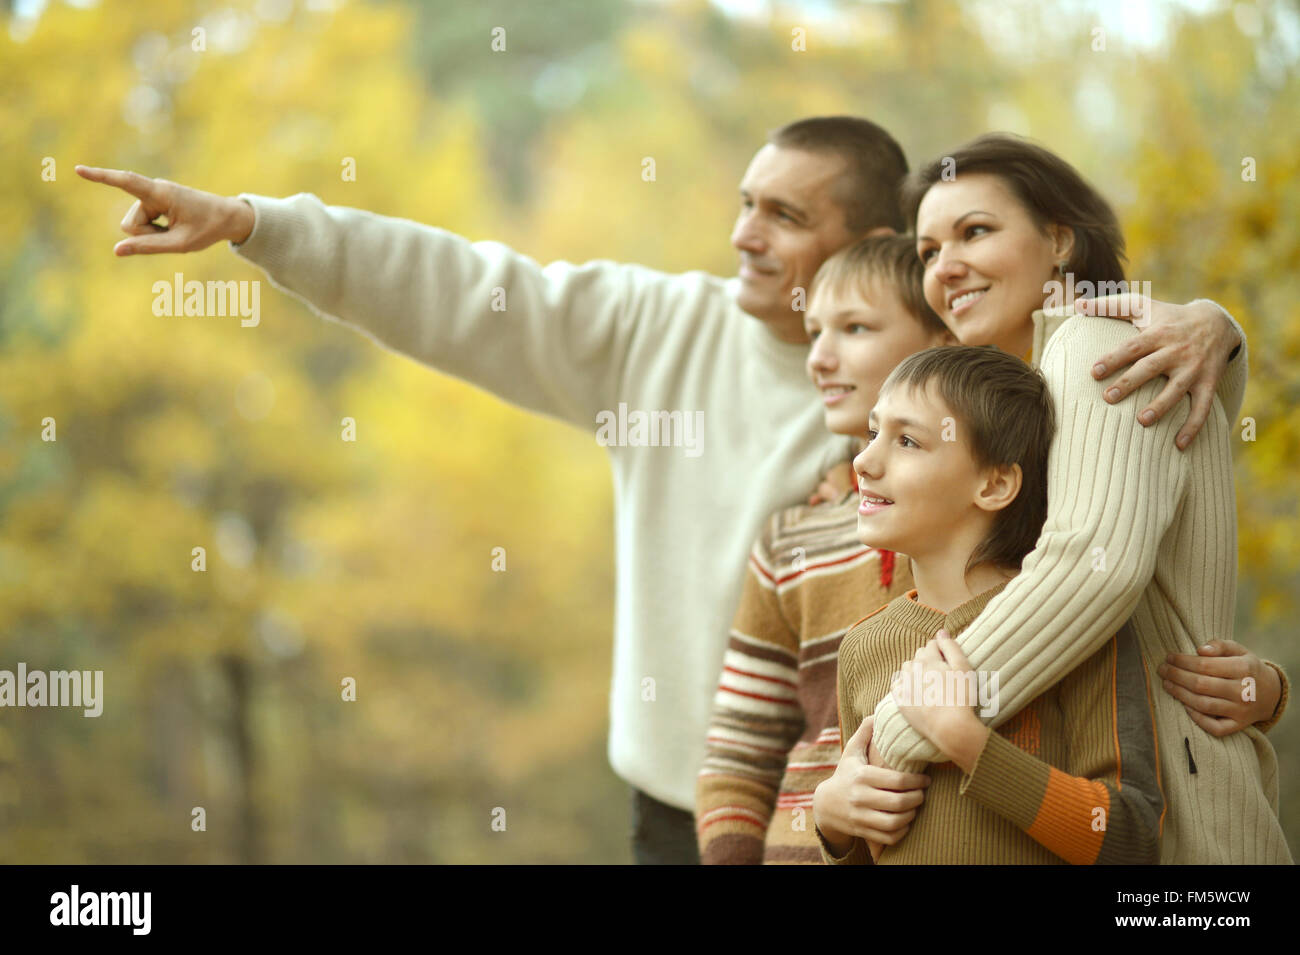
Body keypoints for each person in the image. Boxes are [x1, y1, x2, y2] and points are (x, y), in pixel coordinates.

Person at [74, 117, 1257, 864]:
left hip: (948, 796)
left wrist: (1215, 324)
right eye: (742, 201)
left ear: (874, 246)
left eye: (784, 216)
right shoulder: (657, 332)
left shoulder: (982, 394)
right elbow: (465, 287)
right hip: (700, 795)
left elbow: (1107, 561)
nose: (743, 235)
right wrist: (256, 224)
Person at [858, 133, 1291, 863]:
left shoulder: (1094, 342)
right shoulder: (1024, 395)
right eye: (929, 250)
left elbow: (1093, 564)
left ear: (1059, 240)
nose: (946, 265)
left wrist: (897, 734)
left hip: (1181, 828)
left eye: (975, 231)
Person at [822, 344, 1163, 864]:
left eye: (907, 440)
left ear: (995, 483)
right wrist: (834, 823)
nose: (864, 461)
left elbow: (1131, 839)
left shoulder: (1077, 623)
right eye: (872, 434)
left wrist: (967, 743)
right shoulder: (862, 647)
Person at [696, 235, 948, 864]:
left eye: (855, 328)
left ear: (944, 342)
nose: (820, 359)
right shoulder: (788, 540)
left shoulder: (1006, 516)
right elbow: (738, 755)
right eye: (814, 334)